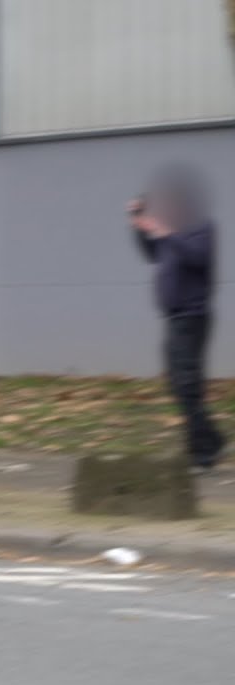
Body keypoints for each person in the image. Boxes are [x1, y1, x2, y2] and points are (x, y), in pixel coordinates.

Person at [129, 165, 225, 472]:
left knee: (187, 384)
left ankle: (202, 454)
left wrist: (167, 233)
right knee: (177, 382)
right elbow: (149, 252)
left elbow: (199, 257)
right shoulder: (168, 233)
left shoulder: (200, 227)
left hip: (193, 316)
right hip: (174, 318)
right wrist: (137, 223)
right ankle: (211, 440)